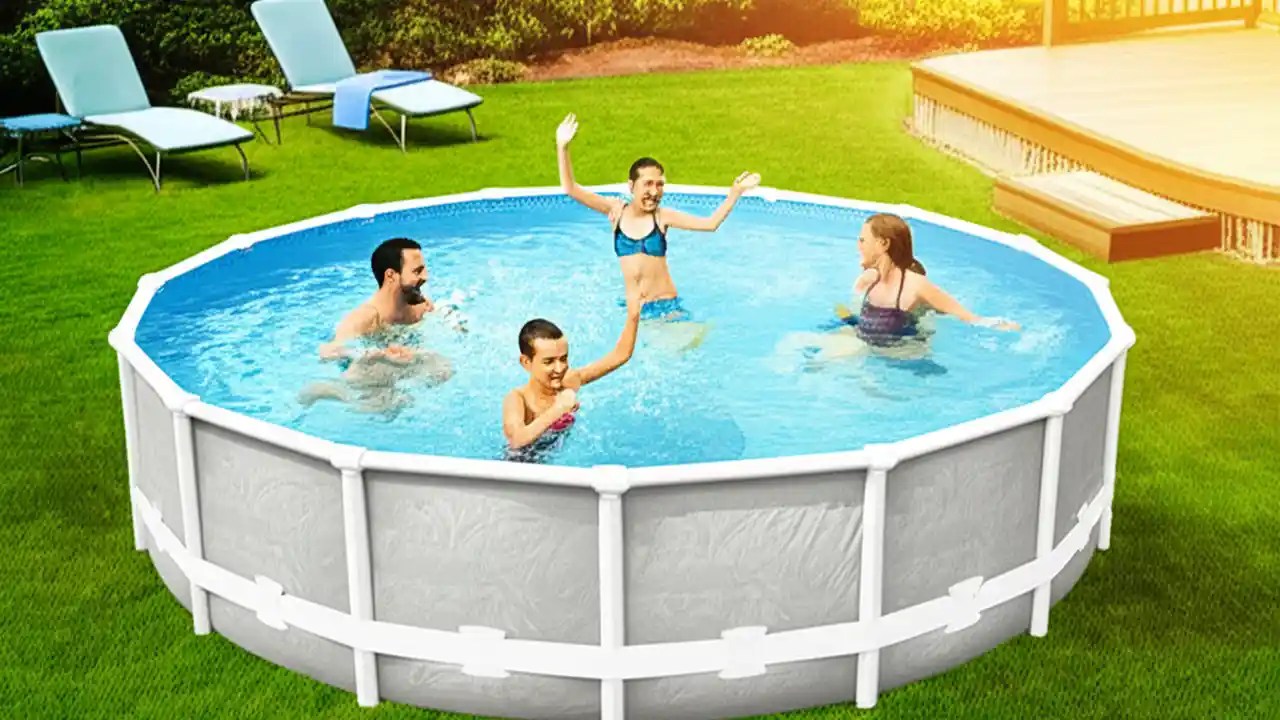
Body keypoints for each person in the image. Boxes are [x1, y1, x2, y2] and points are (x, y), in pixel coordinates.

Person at [554, 112, 760, 350]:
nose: (655, 191)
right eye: (648, 184)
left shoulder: (662, 218)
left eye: (660, 184)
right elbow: (570, 188)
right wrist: (563, 147)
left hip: (666, 308)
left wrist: (735, 193)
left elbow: (710, 224)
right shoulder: (616, 211)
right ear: (631, 186)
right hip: (634, 311)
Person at [777, 213, 1019, 365]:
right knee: (793, 340)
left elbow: (967, 317)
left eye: (863, 240)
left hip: (900, 355)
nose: (858, 245)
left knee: (823, 361)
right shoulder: (870, 279)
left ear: (883, 244)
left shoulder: (917, 286)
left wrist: (999, 325)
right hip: (865, 341)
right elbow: (858, 313)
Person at [300, 237, 456, 412]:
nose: (425, 277)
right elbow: (326, 352)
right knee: (390, 407)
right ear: (391, 275)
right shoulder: (366, 317)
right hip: (367, 368)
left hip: (401, 360)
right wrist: (373, 354)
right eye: (417, 271)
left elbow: (444, 320)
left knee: (443, 370)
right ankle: (325, 391)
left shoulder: (419, 305)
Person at [502, 286, 645, 461]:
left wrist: (633, 316)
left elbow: (619, 356)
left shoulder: (568, 381)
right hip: (516, 469)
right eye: (549, 362)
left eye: (563, 358)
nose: (559, 368)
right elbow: (517, 440)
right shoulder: (518, 399)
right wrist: (559, 408)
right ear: (526, 362)